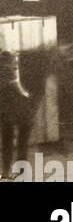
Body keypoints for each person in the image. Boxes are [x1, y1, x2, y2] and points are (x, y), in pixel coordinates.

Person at [0, 51, 33, 180]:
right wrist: (24, 93)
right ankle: (18, 171)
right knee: (20, 142)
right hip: (17, 113)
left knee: (8, 142)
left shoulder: (9, 72)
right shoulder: (12, 73)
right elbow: (19, 88)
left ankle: (7, 171)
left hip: (8, 113)